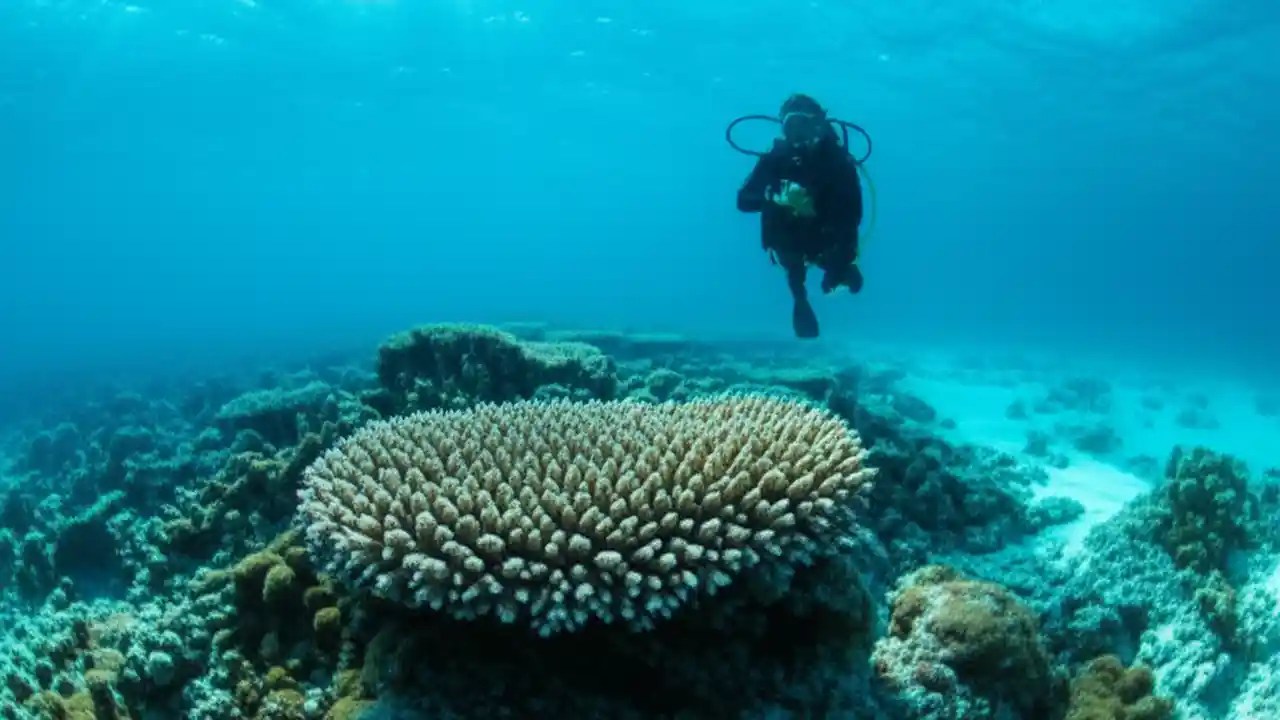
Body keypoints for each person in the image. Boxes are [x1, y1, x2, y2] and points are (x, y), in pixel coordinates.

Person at [736, 93, 864, 339]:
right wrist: (775, 197)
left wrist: (842, 258)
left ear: (818, 124)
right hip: (790, 242)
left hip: (827, 238)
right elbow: (743, 202)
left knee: (842, 268)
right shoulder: (775, 158)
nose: (796, 134)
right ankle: (799, 296)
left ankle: (840, 269)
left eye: (802, 124)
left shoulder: (837, 162)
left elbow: (852, 214)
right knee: (792, 267)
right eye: (789, 126)